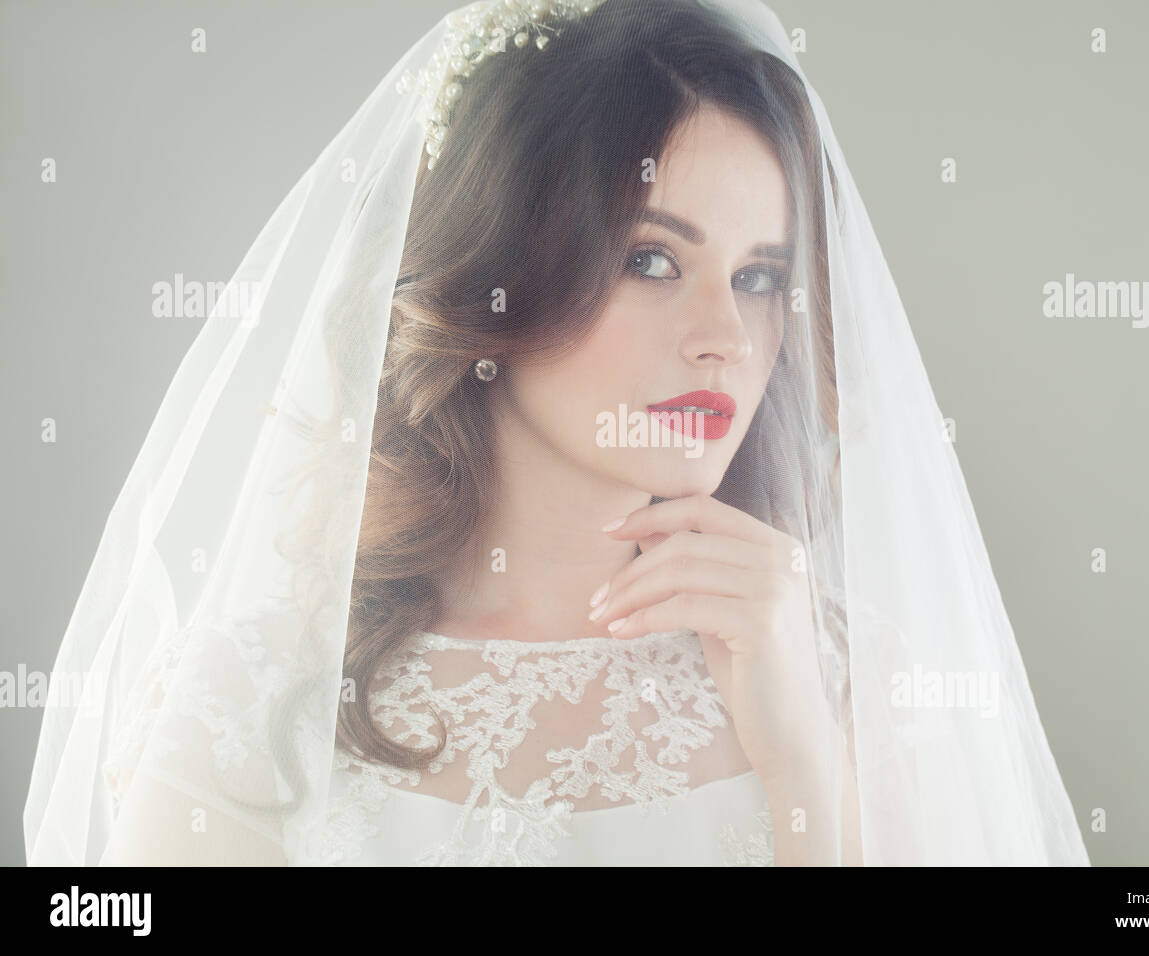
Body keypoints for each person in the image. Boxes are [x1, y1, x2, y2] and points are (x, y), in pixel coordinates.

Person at [25, 0, 1091, 866]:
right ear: (496, 277)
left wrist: (804, 767)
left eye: (760, 276)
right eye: (651, 260)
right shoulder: (256, 696)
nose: (725, 337)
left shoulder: (859, 683)